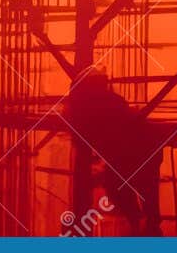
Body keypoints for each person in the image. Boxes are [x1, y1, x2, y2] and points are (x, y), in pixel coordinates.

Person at [65, 69, 167, 235]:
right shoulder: (104, 104)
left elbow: (90, 143)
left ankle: (144, 224)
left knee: (132, 186)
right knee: (132, 187)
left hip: (141, 150)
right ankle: (143, 224)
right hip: (137, 150)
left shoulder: (94, 107)